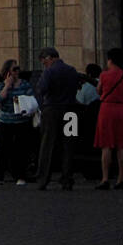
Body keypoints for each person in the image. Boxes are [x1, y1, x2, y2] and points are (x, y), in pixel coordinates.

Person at [34, 46, 81, 190]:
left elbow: (41, 89)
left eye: (44, 62)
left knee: (48, 145)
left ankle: (43, 179)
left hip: (52, 109)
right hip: (70, 110)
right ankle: (67, 179)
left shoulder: (49, 72)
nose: (44, 65)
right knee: (69, 145)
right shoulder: (72, 70)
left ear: (49, 58)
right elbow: (77, 87)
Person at [93, 48, 123, 189]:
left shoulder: (104, 75)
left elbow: (99, 90)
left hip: (107, 109)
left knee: (107, 146)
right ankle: (121, 178)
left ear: (110, 60)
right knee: (122, 146)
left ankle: (105, 178)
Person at [0, 58, 34, 185]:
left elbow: (31, 98)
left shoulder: (25, 84)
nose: (17, 72)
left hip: (21, 121)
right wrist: (7, 86)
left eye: (18, 69)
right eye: (14, 69)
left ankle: (21, 176)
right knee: (3, 149)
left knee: (21, 150)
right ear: (8, 72)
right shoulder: (2, 85)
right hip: (6, 121)